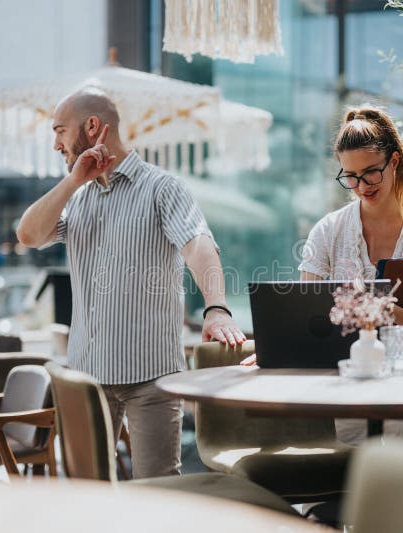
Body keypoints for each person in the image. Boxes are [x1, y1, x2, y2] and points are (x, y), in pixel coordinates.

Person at [16, 87, 246, 478]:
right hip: (87, 377)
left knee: (157, 489)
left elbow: (198, 245)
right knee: (87, 489)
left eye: (60, 131)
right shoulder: (77, 197)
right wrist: (73, 182)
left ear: (92, 126)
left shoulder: (163, 187)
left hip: (152, 377)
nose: (56, 144)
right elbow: (28, 235)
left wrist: (217, 307)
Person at [299, 105, 403, 441]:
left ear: (394, 161)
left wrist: (389, 313)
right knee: (346, 465)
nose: (361, 186)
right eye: (350, 176)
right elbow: (306, 320)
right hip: (346, 387)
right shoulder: (328, 231)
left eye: (371, 173)